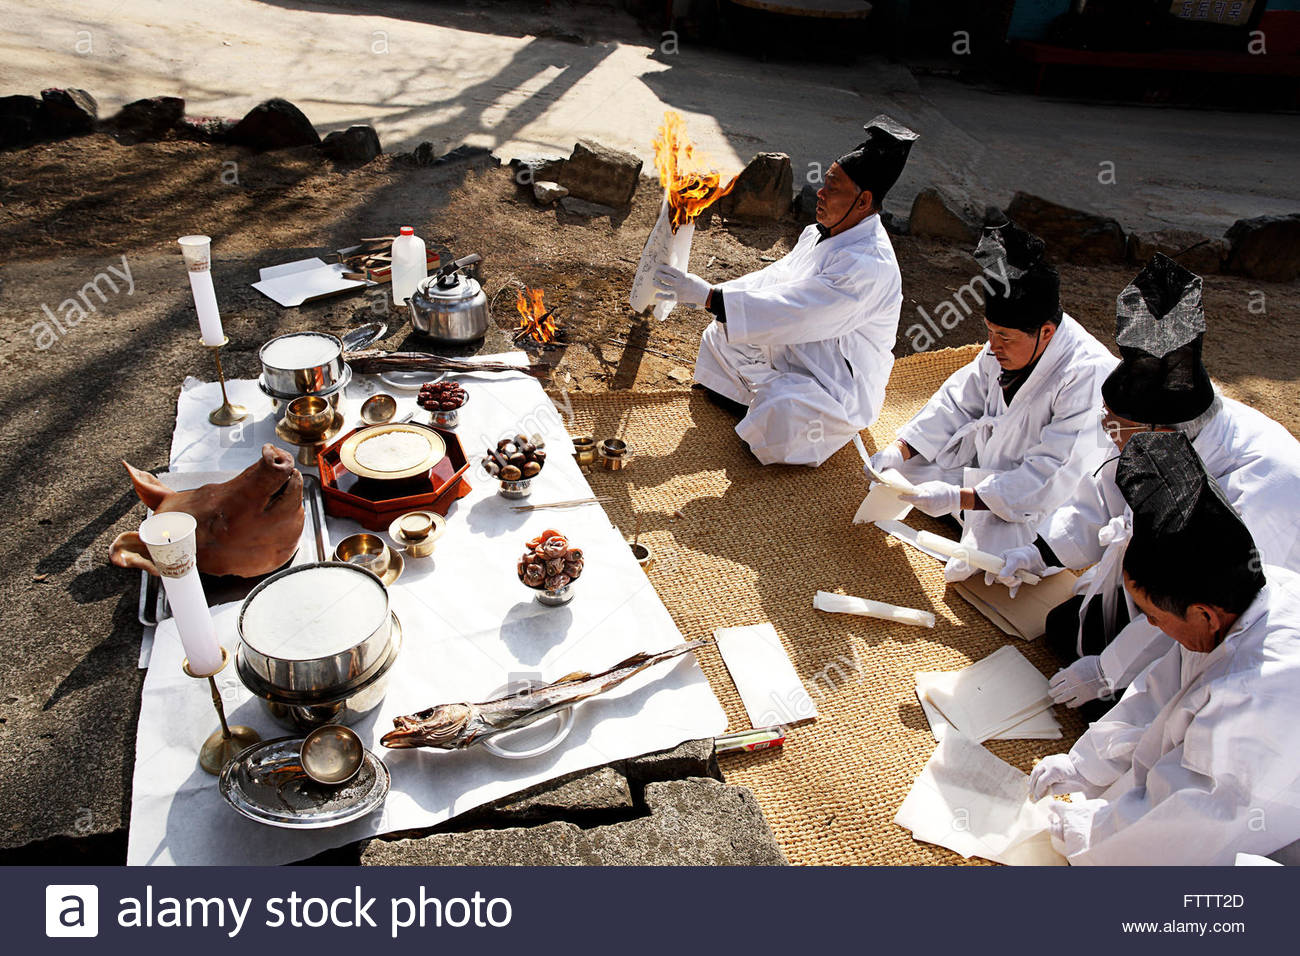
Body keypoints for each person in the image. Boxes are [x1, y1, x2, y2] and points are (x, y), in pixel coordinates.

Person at [999, 254, 1300, 711]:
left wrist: (1107, 671)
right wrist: (1039, 554)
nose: (1110, 436)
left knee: (1133, 710)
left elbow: (1212, 610)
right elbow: (1106, 493)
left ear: (1164, 435)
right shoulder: (1154, 437)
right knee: (1065, 628)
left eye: (1118, 430)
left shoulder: (1263, 488)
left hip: (1228, 625)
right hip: (1165, 593)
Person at [1028, 431, 1300, 866]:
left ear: (1205, 615)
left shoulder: (1262, 690)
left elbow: (1199, 817)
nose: (1151, 627)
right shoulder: (1242, 596)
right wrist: (1085, 766)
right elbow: (1160, 696)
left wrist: (1090, 832)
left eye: (1154, 617)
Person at [649, 115, 917, 467]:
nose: (820, 194)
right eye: (824, 184)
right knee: (720, 336)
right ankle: (757, 406)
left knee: (784, 411)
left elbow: (799, 310)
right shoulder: (820, 233)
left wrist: (710, 298)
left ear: (864, 202)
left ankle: (772, 413)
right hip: (793, 352)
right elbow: (775, 280)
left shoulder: (868, 265)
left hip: (835, 387)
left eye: (833, 188)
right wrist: (714, 294)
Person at [871, 220, 1116, 578]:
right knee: (903, 473)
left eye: (1004, 336)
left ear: (1046, 332)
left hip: (1041, 497)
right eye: (989, 332)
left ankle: (967, 508)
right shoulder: (1005, 343)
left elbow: (1048, 475)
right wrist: (901, 448)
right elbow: (959, 400)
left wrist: (959, 498)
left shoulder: (1088, 374)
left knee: (1000, 560)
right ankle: (963, 503)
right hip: (990, 464)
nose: (993, 345)